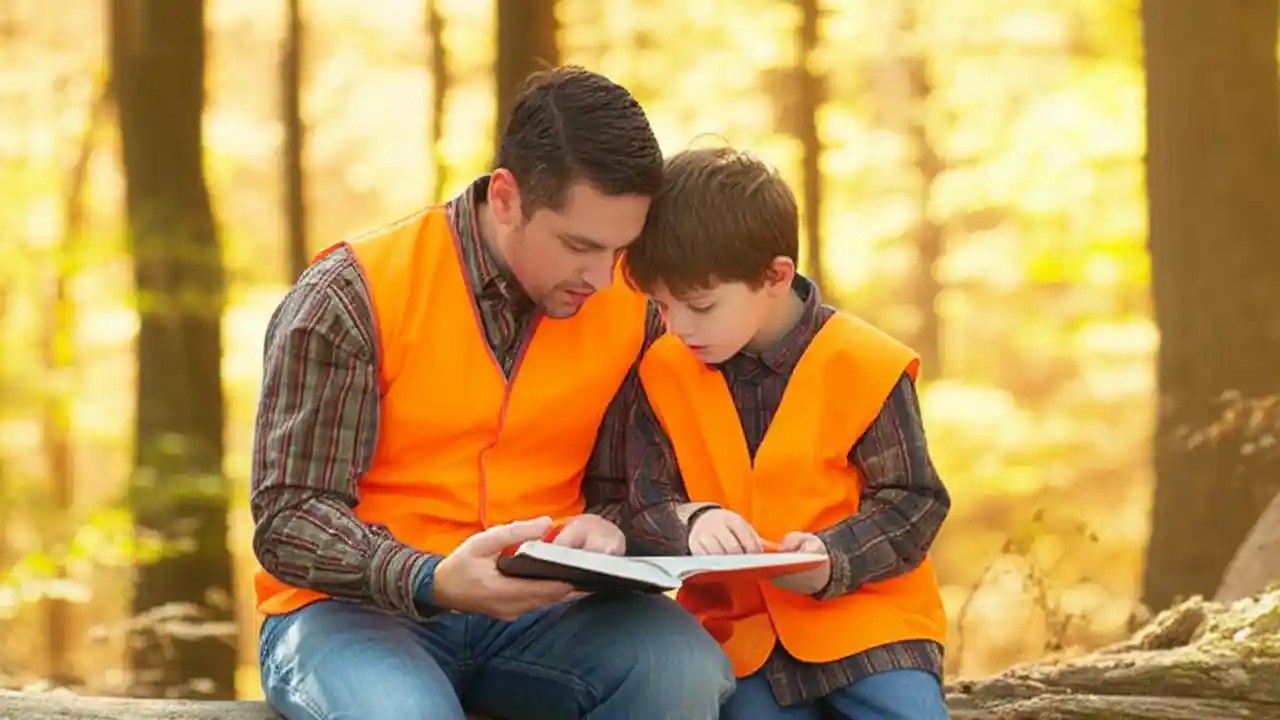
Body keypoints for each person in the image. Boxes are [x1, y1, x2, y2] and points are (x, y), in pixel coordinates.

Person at [249, 67, 734, 720]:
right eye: (579, 245)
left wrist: (611, 531)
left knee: (684, 668)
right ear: (505, 198)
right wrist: (431, 579)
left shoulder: (636, 305)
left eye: (622, 248)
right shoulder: (350, 297)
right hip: (357, 616)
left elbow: (628, 491)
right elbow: (291, 517)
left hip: (550, 615)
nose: (601, 275)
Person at [620, 146, 952, 720]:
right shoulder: (661, 370)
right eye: (662, 306)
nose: (676, 327)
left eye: (700, 305)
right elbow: (642, 502)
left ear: (775, 276)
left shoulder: (865, 363)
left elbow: (915, 503)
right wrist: (692, 520)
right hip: (739, 640)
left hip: (870, 627)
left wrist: (832, 557)